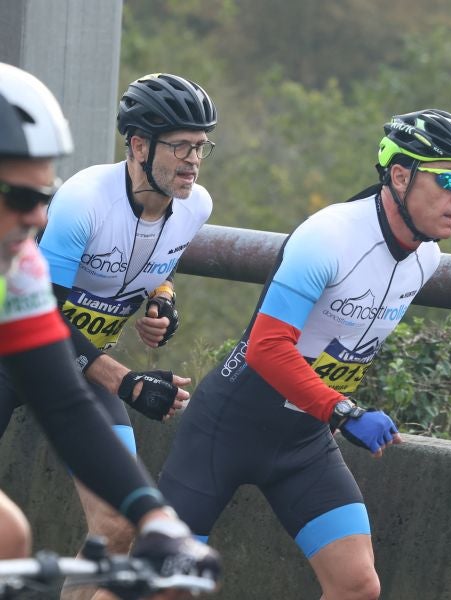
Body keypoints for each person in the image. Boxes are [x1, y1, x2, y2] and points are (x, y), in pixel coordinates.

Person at [157, 108, 451, 598]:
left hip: (302, 439)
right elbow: (267, 349)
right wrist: (344, 410)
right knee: (160, 585)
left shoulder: (427, 256)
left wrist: (331, 410)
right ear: (400, 174)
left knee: (357, 586)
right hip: (228, 428)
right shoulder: (329, 236)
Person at [0, 61, 220, 592]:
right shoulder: (85, 203)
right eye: (26, 199)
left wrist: (156, 521)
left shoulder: (19, 264)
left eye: (44, 195)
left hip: (61, 358)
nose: (38, 220)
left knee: (44, 534)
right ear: (140, 145)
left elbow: (65, 402)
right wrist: (126, 380)